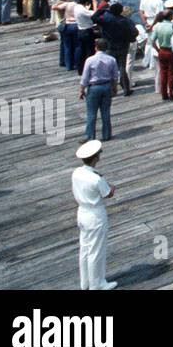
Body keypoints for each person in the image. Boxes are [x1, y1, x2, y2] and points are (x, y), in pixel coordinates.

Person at [72, 140, 117, 290]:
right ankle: (97, 284)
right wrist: (112, 188)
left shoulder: (77, 172)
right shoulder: (96, 178)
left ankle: (85, 283)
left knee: (84, 249)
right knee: (96, 251)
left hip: (81, 212)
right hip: (95, 215)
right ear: (96, 158)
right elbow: (107, 194)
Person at [79, 38, 120, 141]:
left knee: (91, 113)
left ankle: (90, 136)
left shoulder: (90, 60)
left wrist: (81, 90)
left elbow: (85, 77)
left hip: (94, 87)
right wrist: (114, 88)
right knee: (106, 112)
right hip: (106, 86)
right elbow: (115, 76)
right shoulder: (111, 59)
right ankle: (106, 135)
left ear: (96, 47)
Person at [92, 2, 135, 96]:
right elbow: (134, 32)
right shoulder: (126, 21)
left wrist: (102, 10)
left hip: (109, 45)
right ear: (121, 11)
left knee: (110, 68)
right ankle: (126, 89)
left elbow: (93, 18)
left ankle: (112, 91)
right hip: (123, 45)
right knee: (122, 67)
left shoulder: (107, 20)